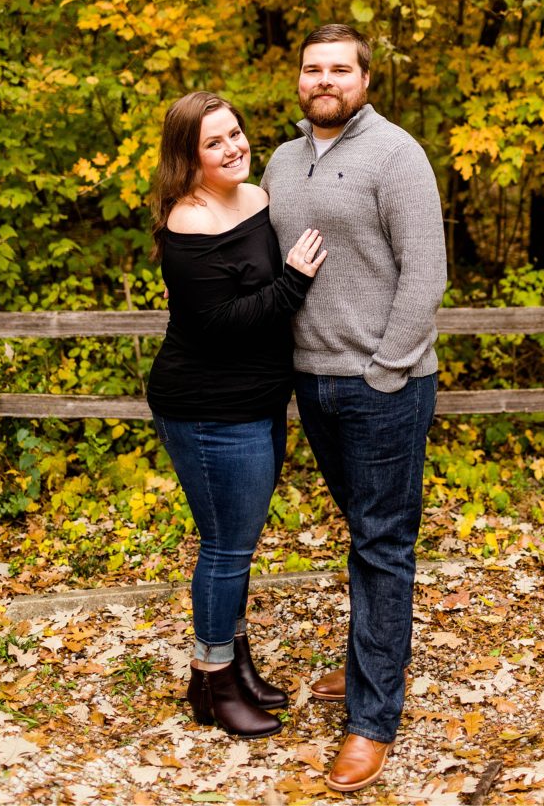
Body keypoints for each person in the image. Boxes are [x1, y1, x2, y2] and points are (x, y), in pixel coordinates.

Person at [261, 24, 447, 791]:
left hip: (383, 386)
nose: (325, 80)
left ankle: (372, 720)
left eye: (341, 68)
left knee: (380, 543)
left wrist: (386, 371)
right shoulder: (280, 160)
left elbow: (425, 272)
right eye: (314, 68)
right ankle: (377, 657)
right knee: (366, 531)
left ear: (366, 79)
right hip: (311, 382)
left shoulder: (396, 154)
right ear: (299, 79)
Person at [146, 91, 326, 738]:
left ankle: (236, 665)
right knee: (225, 547)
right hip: (208, 409)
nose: (233, 148)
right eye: (213, 142)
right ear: (188, 158)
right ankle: (212, 682)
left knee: (238, 545)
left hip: (258, 400)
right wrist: (294, 281)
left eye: (235, 132)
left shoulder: (255, 198)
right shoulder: (189, 222)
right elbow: (221, 324)